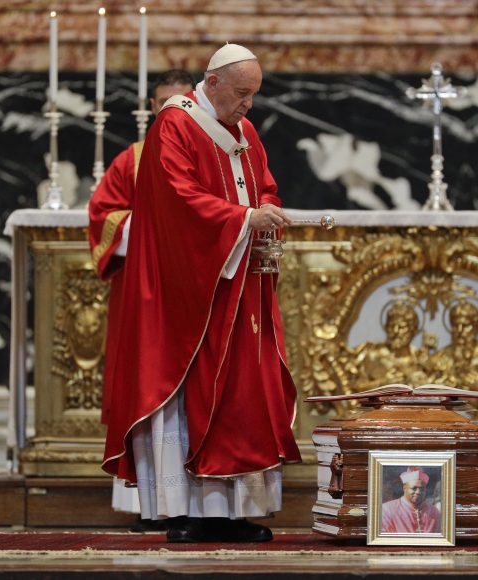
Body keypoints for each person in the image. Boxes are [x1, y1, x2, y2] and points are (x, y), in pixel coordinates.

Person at [100, 43, 301, 544]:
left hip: (240, 290)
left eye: (253, 96)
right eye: (240, 94)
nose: (247, 105)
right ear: (211, 83)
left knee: (242, 398)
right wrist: (242, 220)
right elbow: (176, 201)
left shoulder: (247, 132)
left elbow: (265, 187)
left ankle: (232, 513)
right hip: (191, 295)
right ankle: (186, 511)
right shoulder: (175, 126)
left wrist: (268, 213)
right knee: (193, 396)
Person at [88, 69, 196, 531]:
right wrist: (154, 230)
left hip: (192, 294)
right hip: (145, 298)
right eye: (163, 104)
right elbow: (103, 217)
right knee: (148, 389)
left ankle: (198, 503)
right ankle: (149, 503)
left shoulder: (203, 154)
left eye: (180, 104)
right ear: (153, 108)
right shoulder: (131, 161)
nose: (171, 113)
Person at [381, 467, 441, 533]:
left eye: (422, 489)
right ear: (404, 488)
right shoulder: (387, 510)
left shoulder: (433, 511)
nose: (418, 492)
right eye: (414, 488)